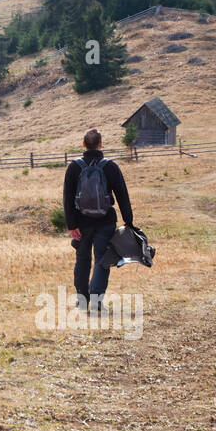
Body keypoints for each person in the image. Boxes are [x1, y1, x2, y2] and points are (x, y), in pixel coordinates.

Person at [63, 129, 134, 312]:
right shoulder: (110, 166)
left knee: (82, 259)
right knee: (102, 260)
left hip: (81, 222)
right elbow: (122, 194)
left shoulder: (74, 167)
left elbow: (68, 197)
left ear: (84, 145)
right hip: (105, 221)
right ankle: (96, 301)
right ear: (101, 144)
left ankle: (82, 300)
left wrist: (72, 225)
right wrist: (129, 220)